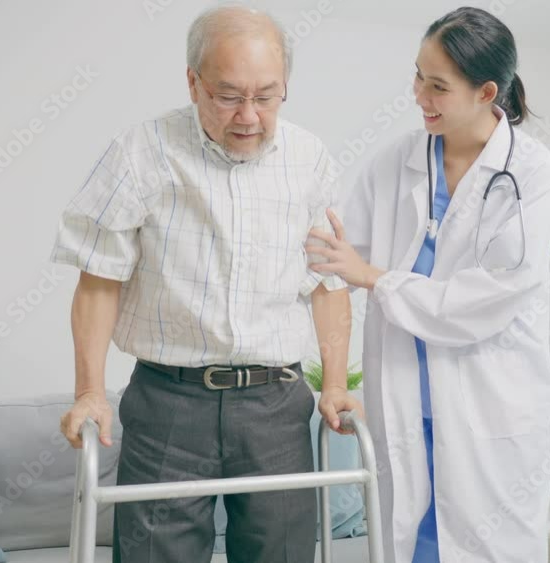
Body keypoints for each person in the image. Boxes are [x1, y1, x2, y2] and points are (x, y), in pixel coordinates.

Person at [51, 6, 361, 563]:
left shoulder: (309, 159)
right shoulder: (141, 152)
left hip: (276, 405)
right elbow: (99, 280)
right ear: (193, 82)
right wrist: (89, 391)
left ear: (285, 86)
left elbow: (328, 283)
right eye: (228, 96)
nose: (249, 116)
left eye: (266, 96)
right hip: (169, 403)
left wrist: (334, 384)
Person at [306, 7, 550, 562]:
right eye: (418, 76)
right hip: (403, 402)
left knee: (488, 546)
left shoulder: (532, 174)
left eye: (438, 86)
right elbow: (332, 262)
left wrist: (374, 278)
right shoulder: (394, 163)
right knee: (411, 540)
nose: (419, 95)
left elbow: (486, 301)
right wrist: (334, 376)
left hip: (489, 408)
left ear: (486, 92)